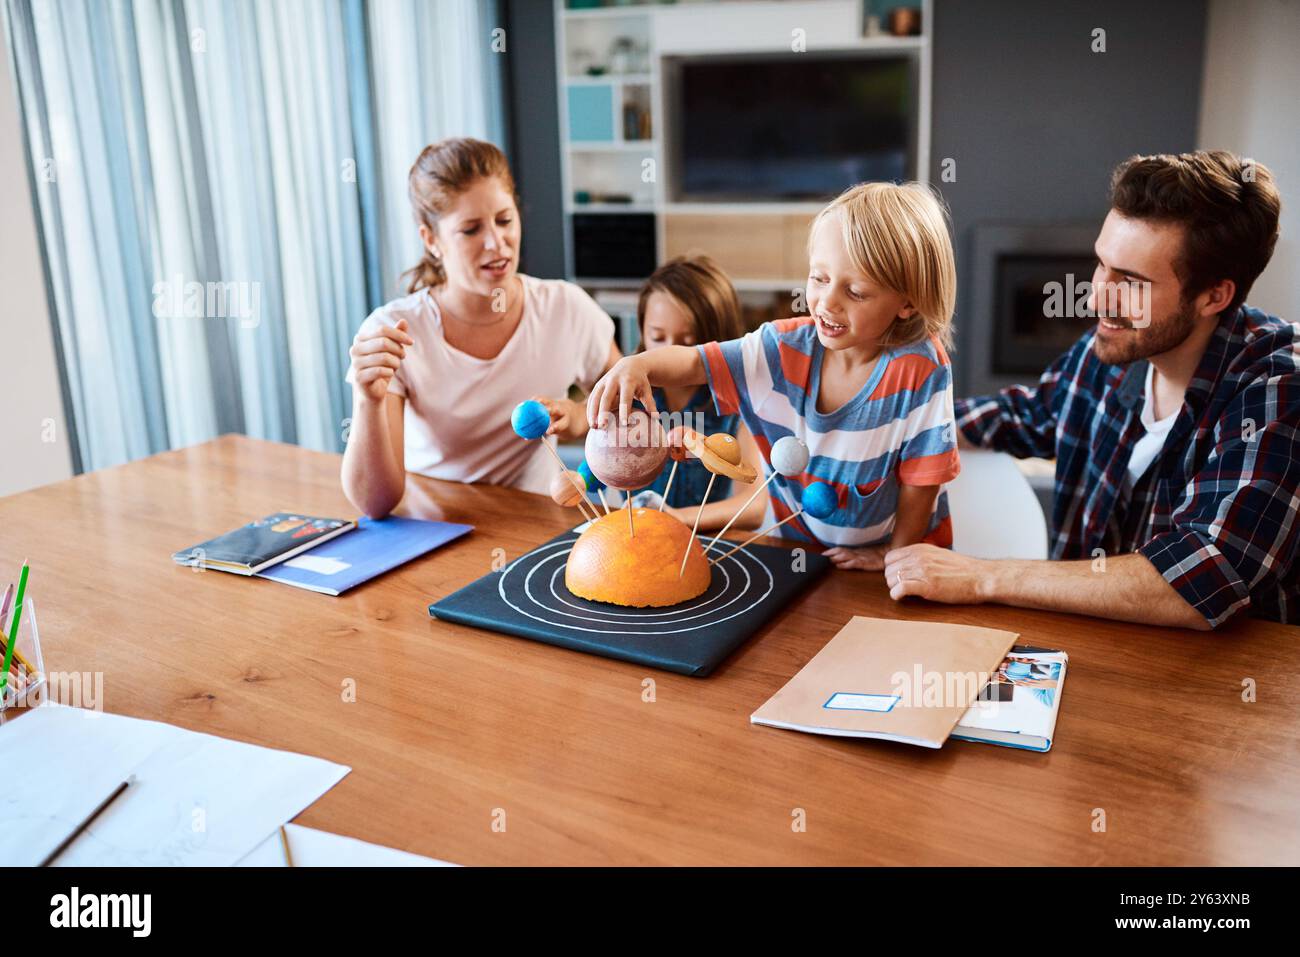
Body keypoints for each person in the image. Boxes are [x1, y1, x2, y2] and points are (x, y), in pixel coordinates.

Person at [885, 150, 1296, 629]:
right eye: (1102, 264)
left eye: (1132, 281)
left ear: (1214, 296)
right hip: (1079, 656)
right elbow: (1026, 416)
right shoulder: (1112, 350)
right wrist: (886, 421)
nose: (1097, 294)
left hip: (1215, 690)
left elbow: (1201, 579)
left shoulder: (1276, 387)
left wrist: (980, 577)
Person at [587, 181, 961, 569]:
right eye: (819, 278)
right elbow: (697, 362)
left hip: (898, 553)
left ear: (908, 302)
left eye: (856, 292)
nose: (827, 302)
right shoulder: (779, 349)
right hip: (801, 551)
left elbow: (923, 482)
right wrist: (639, 365)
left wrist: (893, 557)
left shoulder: (922, 369)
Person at [341, 138, 620, 517]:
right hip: (439, 529)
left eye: (505, 220)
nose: (497, 242)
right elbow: (376, 504)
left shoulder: (565, 308)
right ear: (431, 240)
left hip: (536, 522)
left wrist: (578, 417)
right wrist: (366, 400)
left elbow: (627, 405)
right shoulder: (395, 332)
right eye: (471, 229)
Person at [632, 256, 765, 531]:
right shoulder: (629, 393)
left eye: (689, 344)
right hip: (637, 535)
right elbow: (581, 420)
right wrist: (570, 414)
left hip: (700, 542)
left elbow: (754, 506)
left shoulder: (735, 403)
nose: (668, 352)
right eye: (657, 337)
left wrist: (680, 519)